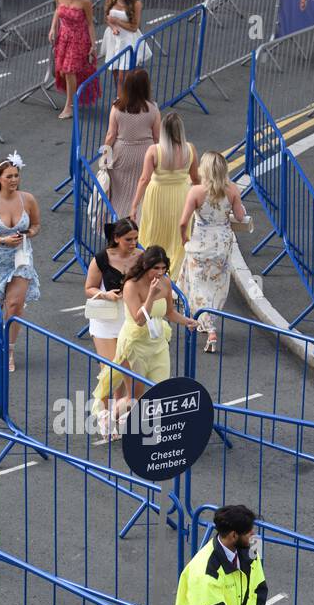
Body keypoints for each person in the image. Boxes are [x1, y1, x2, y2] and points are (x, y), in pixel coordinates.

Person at [90, 245, 199, 438]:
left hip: (157, 344)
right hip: (135, 344)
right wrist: (150, 295)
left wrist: (187, 321)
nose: (160, 272)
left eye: (163, 268)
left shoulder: (165, 282)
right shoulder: (131, 285)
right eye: (155, 268)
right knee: (135, 397)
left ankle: (159, 434)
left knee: (162, 390)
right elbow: (139, 319)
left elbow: (169, 312)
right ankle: (110, 418)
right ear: (145, 266)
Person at [0, 153, 41, 373]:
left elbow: (37, 225)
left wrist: (29, 232)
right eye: (9, 176)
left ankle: (9, 350)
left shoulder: (28, 199)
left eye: (16, 175)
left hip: (20, 258)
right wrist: (2, 239)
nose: (13, 180)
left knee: (14, 304)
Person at [179, 151, 247, 353]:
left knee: (198, 285)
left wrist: (184, 239)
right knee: (217, 285)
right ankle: (208, 321)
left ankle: (208, 327)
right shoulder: (232, 189)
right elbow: (240, 216)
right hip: (222, 245)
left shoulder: (196, 191)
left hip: (201, 243)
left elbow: (183, 221)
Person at [131, 112, 199, 275]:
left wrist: (134, 205)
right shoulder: (190, 149)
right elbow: (196, 178)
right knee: (178, 236)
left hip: (157, 197)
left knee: (153, 231)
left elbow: (144, 179)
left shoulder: (154, 151)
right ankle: (175, 274)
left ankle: (151, 268)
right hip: (182, 196)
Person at [84, 218, 142, 365]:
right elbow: (89, 288)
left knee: (129, 372)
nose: (133, 243)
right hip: (105, 320)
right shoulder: (101, 258)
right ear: (116, 238)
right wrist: (105, 294)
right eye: (128, 239)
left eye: (136, 238)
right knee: (111, 373)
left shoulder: (142, 257)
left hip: (131, 318)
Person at [102, 68, 159, 215]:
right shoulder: (153, 109)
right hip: (145, 154)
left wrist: (105, 157)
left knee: (119, 194)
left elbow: (110, 135)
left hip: (122, 153)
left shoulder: (117, 106)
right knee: (142, 192)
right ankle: (139, 227)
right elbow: (157, 137)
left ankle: (118, 226)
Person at [49, 0, 99, 119]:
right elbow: (57, 10)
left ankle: (69, 106)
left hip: (79, 40)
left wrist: (93, 45)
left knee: (69, 70)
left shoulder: (85, 1)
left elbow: (90, 24)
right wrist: (53, 28)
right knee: (64, 71)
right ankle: (73, 98)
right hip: (63, 37)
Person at [99, 0, 151, 86]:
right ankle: (121, 98)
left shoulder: (136, 3)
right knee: (115, 74)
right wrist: (113, 27)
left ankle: (125, 100)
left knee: (123, 77)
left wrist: (117, 21)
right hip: (113, 39)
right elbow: (107, 18)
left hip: (127, 41)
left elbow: (134, 27)